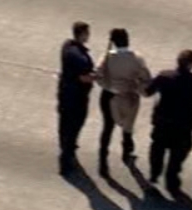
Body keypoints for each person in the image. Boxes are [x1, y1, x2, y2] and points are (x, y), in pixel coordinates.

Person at [144, 49, 192, 195]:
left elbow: (147, 92)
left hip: (162, 122)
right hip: (184, 125)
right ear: (191, 64)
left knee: (157, 150)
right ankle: (172, 179)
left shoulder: (164, 76)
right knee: (179, 153)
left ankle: (153, 177)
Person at [94, 27, 152, 174]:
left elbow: (98, 76)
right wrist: (136, 88)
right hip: (129, 96)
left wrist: (111, 87)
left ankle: (103, 162)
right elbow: (146, 80)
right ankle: (127, 154)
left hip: (109, 95)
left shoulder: (107, 57)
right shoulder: (137, 58)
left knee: (107, 128)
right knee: (128, 127)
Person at [57, 21, 96, 174]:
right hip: (77, 97)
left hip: (65, 92)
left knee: (64, 123)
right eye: (87, 33)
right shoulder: (80, 57)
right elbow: (84, 78)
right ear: (82, 34)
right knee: (75, 125)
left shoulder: (67, 46)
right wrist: (98, 76)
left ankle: (65, 146)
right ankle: (67, 157)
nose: (89, 36)